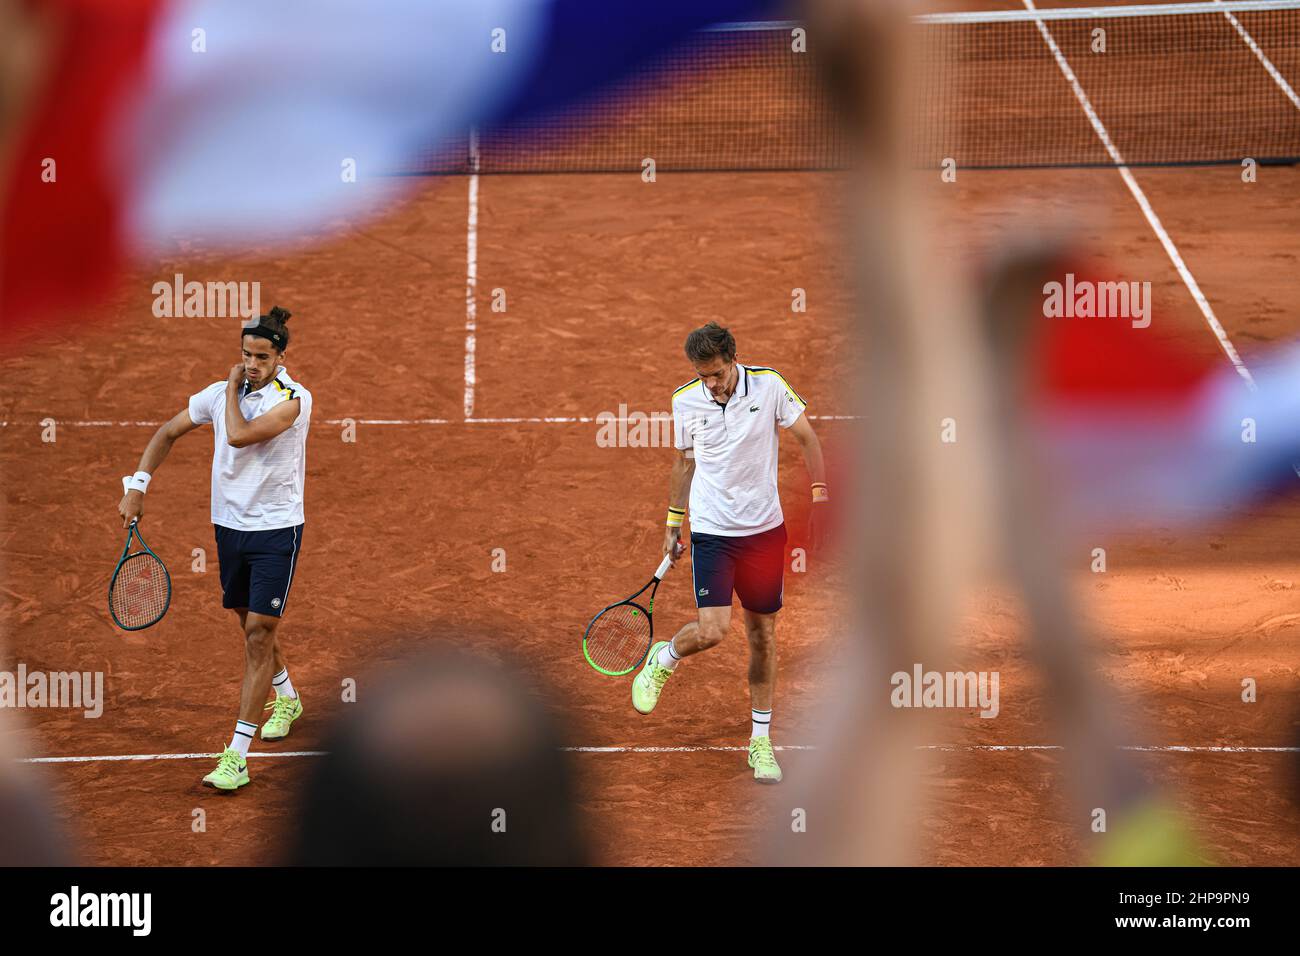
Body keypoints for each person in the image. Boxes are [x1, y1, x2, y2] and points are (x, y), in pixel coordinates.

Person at [116, 306, 312, 791]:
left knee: (259, 634)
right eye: (245, 355)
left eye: (261, 357)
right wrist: (137, 485)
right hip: (228, 526)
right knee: (249, 623)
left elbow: (242, 436)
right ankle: (286, 696)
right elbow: (167, 432)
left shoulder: (294, 399)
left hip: (274, 528)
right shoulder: (217, 394)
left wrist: (228, 390)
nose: (251, 364)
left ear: (280, 357)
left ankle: (237, 757)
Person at [632, 321, 827, 784]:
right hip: (714, 531)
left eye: (717, 374)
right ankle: (664, 659)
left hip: (763, 533)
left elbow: (809, 439)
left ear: (733, 360)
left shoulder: (770, 386)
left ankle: (760, 741)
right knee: (713, 631)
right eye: (704, 376)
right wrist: (672, 524)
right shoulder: (686, 400)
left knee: (762, 638)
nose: (712, 384)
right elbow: (684, 463)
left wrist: (820, 499)